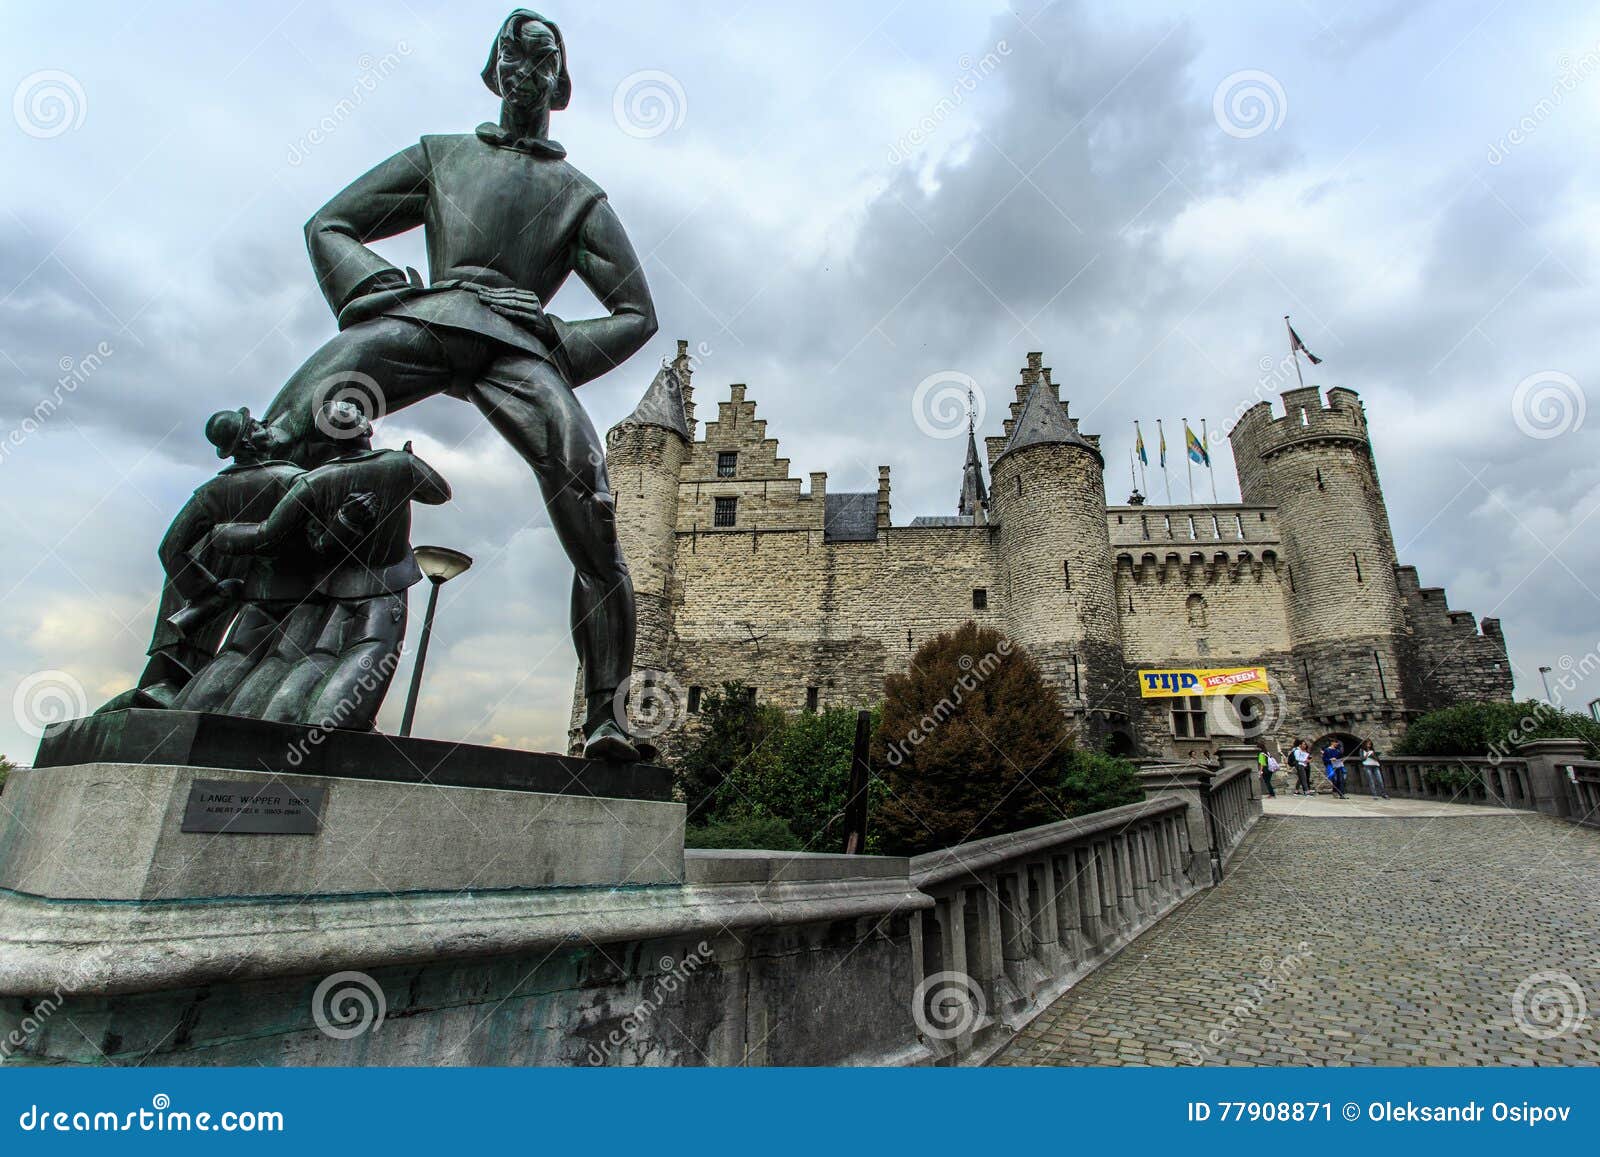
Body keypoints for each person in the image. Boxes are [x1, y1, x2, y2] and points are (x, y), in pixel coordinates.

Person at [260, 11, 657, 760]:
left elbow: (637, 313)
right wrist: (377, 288)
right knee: (286, 428)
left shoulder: (578, 196)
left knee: (591, 499)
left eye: (541, 58)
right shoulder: (440, 156)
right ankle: (181, 664)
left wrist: (553, 333)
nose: (525, 70)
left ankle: (606, 717)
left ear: (560, 80)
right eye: (512, 54)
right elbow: (330, 224)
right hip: (430, 318)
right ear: (494, 69)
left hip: (517, 349)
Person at [199, 401, 451, 730]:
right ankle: (330, 730)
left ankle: (278, 725)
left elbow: (281, 537)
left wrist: (222, 535)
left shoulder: (313, 481)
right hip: (384, 584)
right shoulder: (400, 464)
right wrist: (409, 464)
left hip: (331, 589)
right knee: (370, 653)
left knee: (316, 659)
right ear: (366, 427)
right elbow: (440, 493)